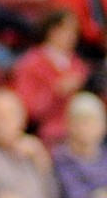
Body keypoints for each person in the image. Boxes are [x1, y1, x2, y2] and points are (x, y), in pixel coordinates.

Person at [11, 8, 89, 143]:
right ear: (51, 30)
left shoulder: (78, 65)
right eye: (64, 29)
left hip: (82, 132)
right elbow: (26, 106)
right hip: (46, 133)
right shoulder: (31, 63)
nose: (71, 36)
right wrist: (55, 91)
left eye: (74, 31)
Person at [53, 92, 107, 198]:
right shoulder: (62, 157)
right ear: (69, 125)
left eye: (93, 121)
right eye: (82, 121)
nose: (87, 128)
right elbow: (75, 197)